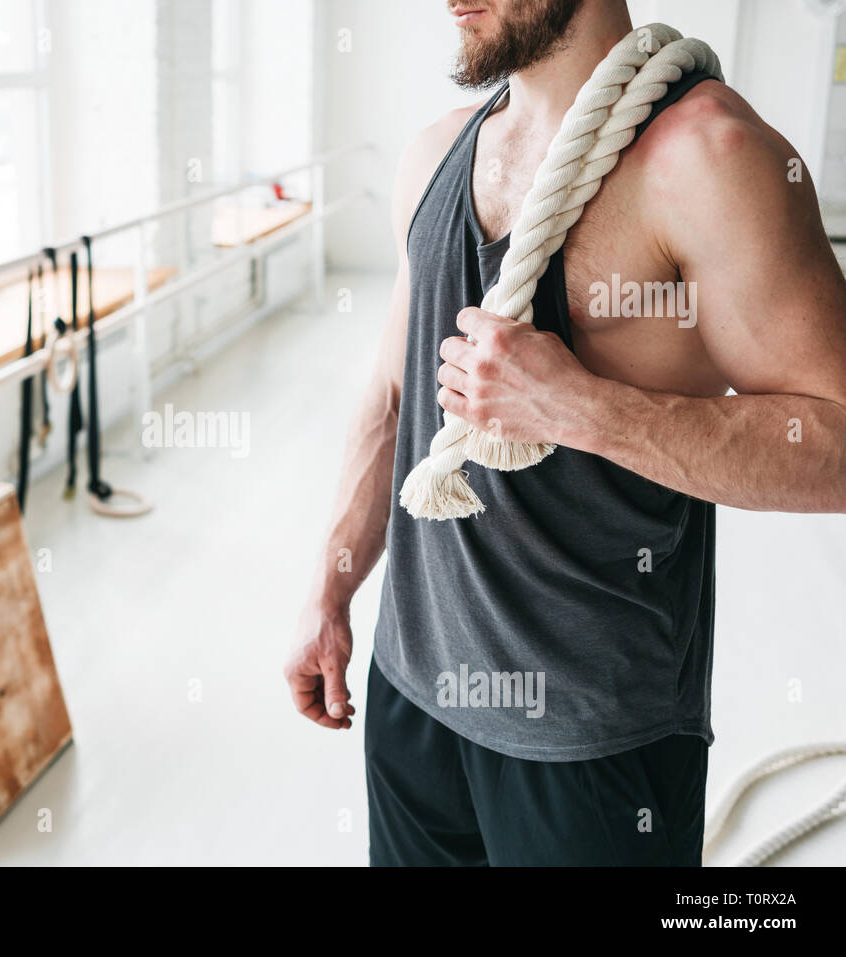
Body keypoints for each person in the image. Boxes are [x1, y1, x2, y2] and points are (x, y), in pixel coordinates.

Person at [284, 0, 846, 865]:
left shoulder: (708, 159)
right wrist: (330, 589)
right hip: (412, 701)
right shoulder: (437, 153)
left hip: (593, 743)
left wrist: (578, 407)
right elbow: (396, 396)